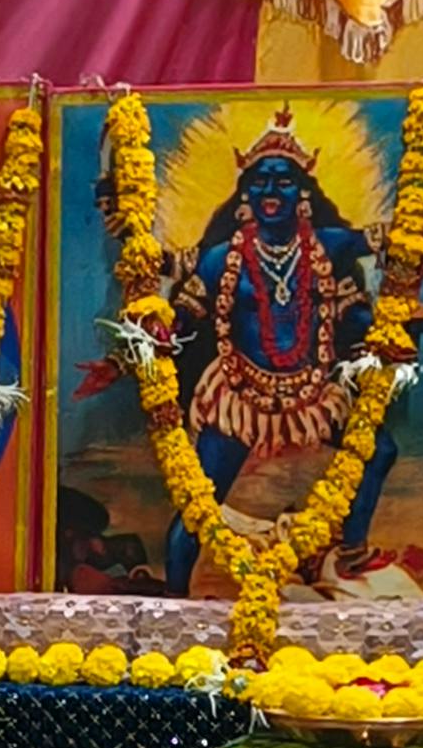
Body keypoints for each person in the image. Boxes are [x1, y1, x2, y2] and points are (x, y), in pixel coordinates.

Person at [161, 114, 387, 590]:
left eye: (284, 181)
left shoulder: (329, 246)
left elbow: (394, 243)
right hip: (240, 398)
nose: (271, 190)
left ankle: (350, 548)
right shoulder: (222, 257)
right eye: (260, 180)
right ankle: (173, 600)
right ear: (245, 193)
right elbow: (185, 314)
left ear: (302, 193)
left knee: (380, 449)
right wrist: (145, 343)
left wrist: (384, 335)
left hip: (312, 393)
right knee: (197, 504)